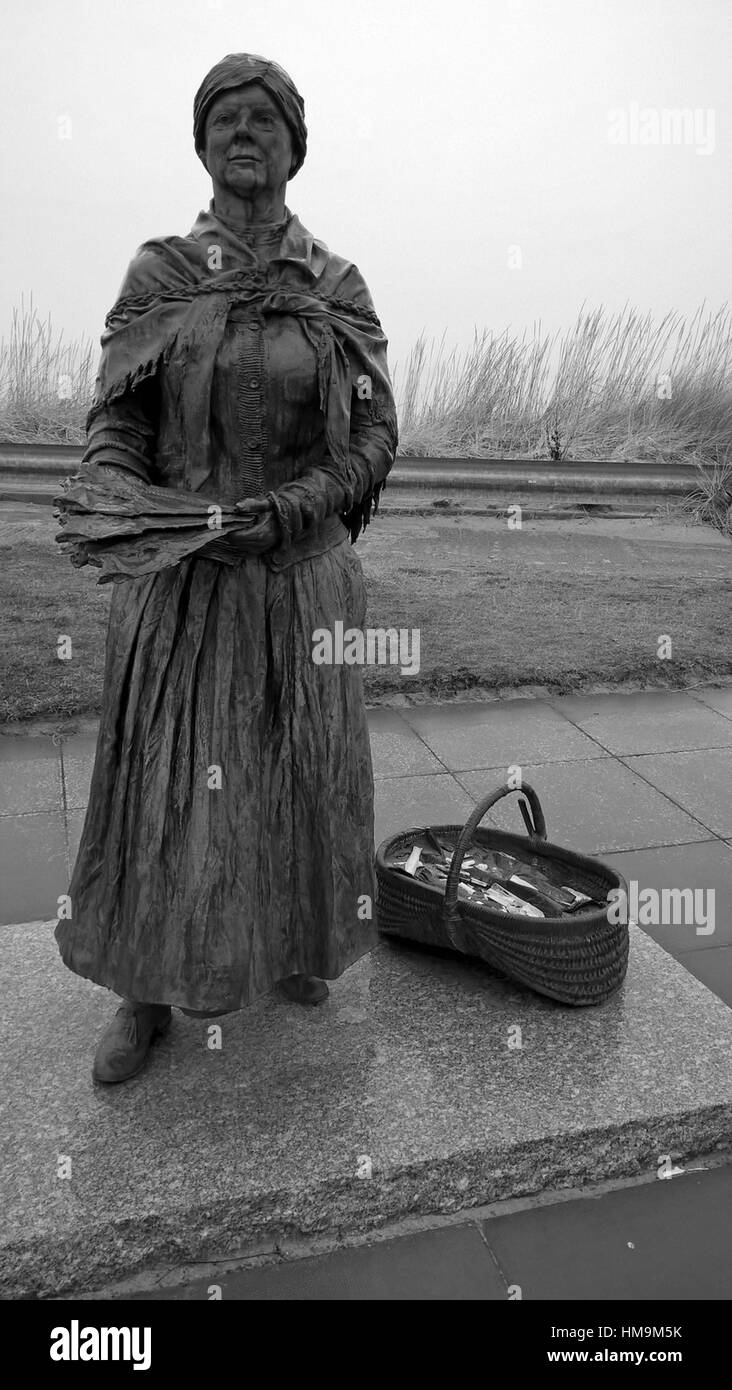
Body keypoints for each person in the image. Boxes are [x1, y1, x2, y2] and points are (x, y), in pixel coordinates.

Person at [54, 52, 398, 1084]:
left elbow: (377, 436)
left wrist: (298, 505)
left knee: (303, 774)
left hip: (302, 579)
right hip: (185, 584)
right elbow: (117, 421)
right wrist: (122, 497)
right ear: (200, 143)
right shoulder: (158, 273)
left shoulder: (334, 286)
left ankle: (297, 940)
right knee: (170, 786)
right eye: (223, 118)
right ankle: (143, 985)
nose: (243, 131)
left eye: (263, 117)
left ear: (296, 142)